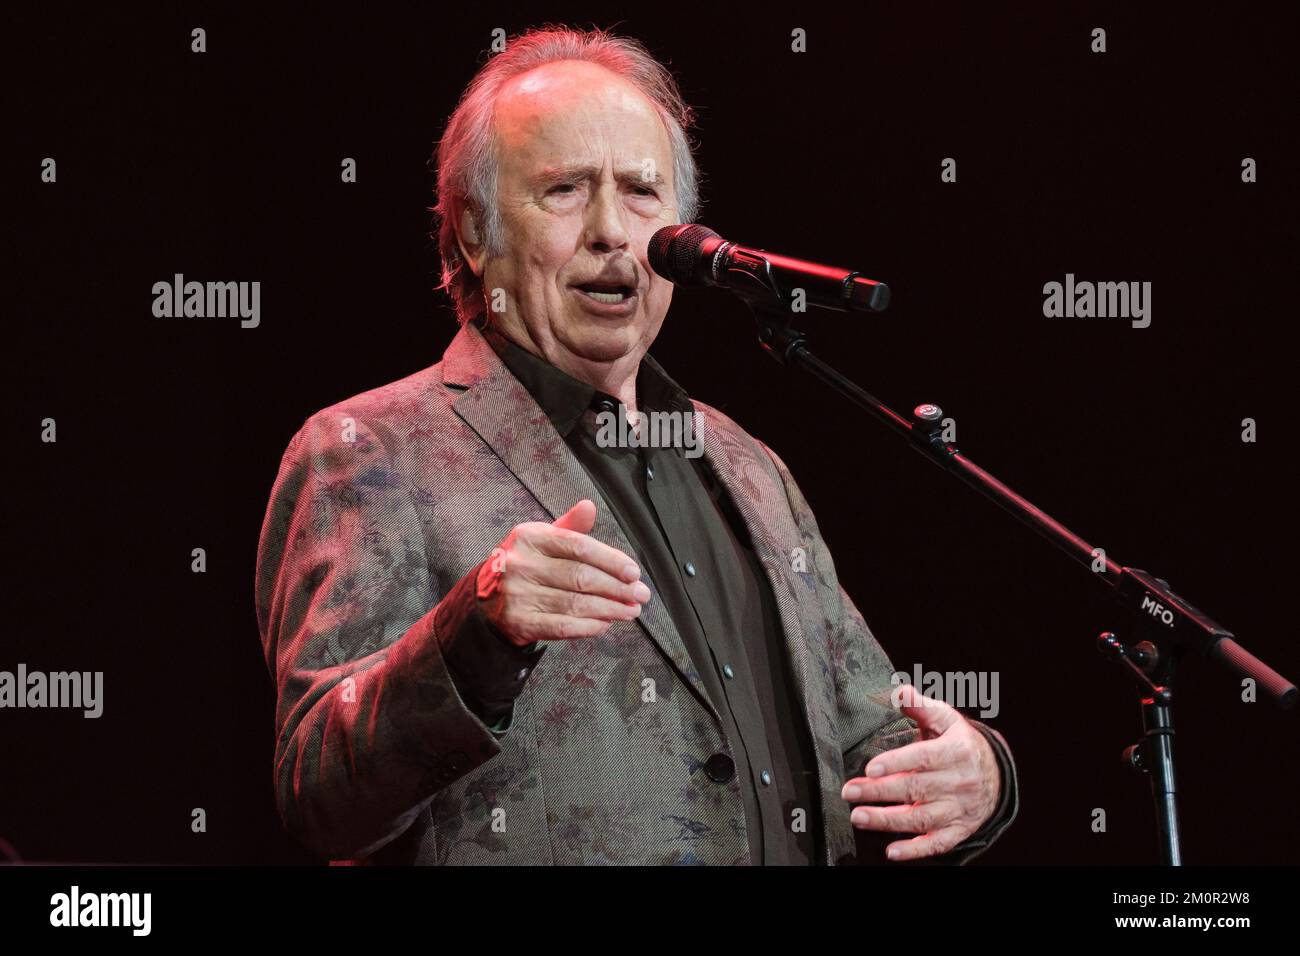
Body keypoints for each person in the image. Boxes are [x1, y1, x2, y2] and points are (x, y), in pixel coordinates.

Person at [254, 26, 1018, 865]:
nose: (613, 230)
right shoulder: (370, 450)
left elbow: (873, 738)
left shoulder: (749, 466)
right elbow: (319, 793)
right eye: (566, 190)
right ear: (474, 234)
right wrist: (475, 634)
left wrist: (978, 777)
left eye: (643, 192)